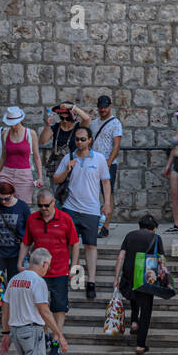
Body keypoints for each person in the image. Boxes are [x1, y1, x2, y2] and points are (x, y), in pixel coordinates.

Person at [52, 126, 112, 300]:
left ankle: (91, 281)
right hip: (70, 208)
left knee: (91, 246)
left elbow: (106, 182)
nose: (79, 142)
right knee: (72, 244)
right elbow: (56, 179)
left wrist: (107, 203)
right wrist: (67, 170)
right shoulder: (68, 158)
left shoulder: (99, 159)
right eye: (77, 139)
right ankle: (76, 277)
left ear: (90, 140)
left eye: (83, 139)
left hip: (91, 210)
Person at [19, 189, 80, 355]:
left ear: (54, 202)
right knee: (40, 306)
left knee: (59, 308)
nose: (44, 208)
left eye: (47, 205)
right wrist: (19, 262)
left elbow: (75, 243)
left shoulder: (65, 219)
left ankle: (55, 340)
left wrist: (74, 267)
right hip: (38, 272)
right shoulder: (33, 219)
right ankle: (45, 334)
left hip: (60, 270)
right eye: (40, 205)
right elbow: (26, 242)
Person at [114, 214, 168, 354]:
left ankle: (133, 322)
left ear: (140, 226)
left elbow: (121, 256)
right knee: (146, 310)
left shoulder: (130, 235)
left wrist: (116, 278)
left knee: (133, 296)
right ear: (154, 228)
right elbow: (161, 259)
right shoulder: (156, 238)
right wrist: (165, 278)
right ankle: (140, 345)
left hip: (129, 275)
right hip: (146, 276)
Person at [0, 180, 30, 284]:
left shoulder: (22, 207)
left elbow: (29, 231)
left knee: (14, 284)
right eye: (1, 199)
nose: (3, 202)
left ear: (12, 194)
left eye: (6, 198)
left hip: (15, 253)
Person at [88, 95, 123, 236]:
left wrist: (108, 163)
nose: (102, 109)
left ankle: (106, 226)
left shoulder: (115, 123)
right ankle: (93, 222)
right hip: (94, 162)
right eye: (100, 107)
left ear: (110, 106)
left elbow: (116, 145)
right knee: (92, 193)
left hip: (109, 164)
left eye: (105, 107)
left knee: (107, 195)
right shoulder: (94, 123)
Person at [0, 106, 43, 205]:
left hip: (24, 174)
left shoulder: (30, 134)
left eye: (15, 124)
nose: (13, 126)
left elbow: (36, 156)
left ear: (20, 120)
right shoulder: (4, 133)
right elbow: (3, 155)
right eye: (11, 124)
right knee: (4, 203)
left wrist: (40, 177)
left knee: (23, 205)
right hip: (6, 173)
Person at [40, 100, 90, 183]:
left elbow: (87, 118)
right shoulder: (56, 127)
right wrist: (48, 126)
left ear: (73, 117)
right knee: (58, 193)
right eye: (62, 118)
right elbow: (42, 141)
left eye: (67, 118)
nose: (65, 121)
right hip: (57, 168)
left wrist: (72, 107)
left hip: (74, 167)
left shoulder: (78, 127)